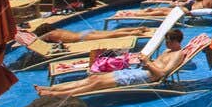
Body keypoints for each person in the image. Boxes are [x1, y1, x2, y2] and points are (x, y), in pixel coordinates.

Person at [34, 29, 202, 97]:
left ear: (175, 41)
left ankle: (54, 95)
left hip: (144, 76)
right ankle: (51, 88)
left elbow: (161, 74)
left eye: (167, 42)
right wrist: (145, 62)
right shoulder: (167, 51)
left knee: (97, 83)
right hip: (139, 71)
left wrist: (147, 63)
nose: (165, 45)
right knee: (94, 79)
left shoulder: (177, 55)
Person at [33, 24, 153, 45]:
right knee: (112, 32)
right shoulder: (57, 29)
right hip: (84, 32)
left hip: (81, 37)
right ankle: (136, 29)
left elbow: (40, 38)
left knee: (110, 36)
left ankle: (135, 32)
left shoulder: (51, 35)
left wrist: (36, 37)